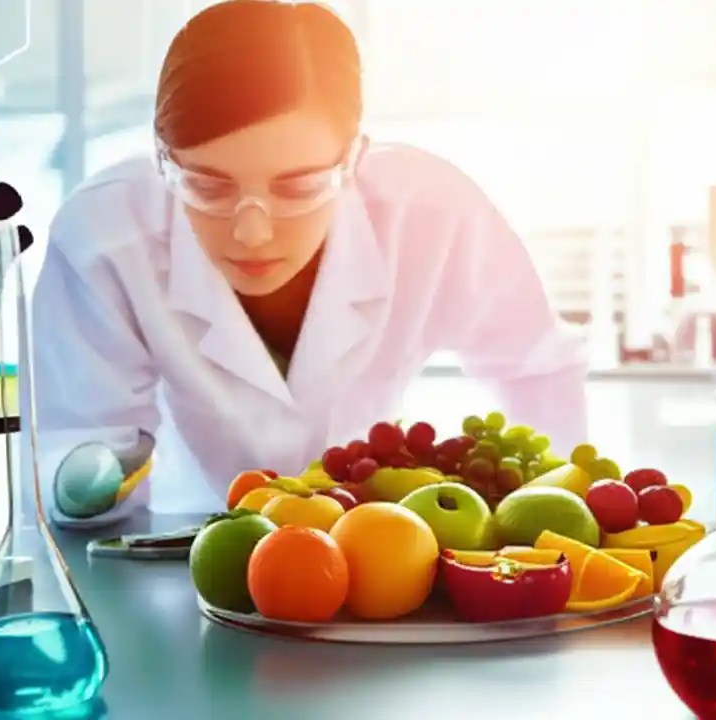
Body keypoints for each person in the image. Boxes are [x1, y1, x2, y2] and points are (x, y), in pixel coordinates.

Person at [29, 0, 588, 526]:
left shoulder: (431, 215)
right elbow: (77, 445)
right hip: (183, 550)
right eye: (207, 186)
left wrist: (544, 515)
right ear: (162, 159)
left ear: (354, 160)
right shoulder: (104, 236)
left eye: (297, 188)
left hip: (378, 546)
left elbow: (535, 366)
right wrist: (87, 476)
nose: (253, 232)